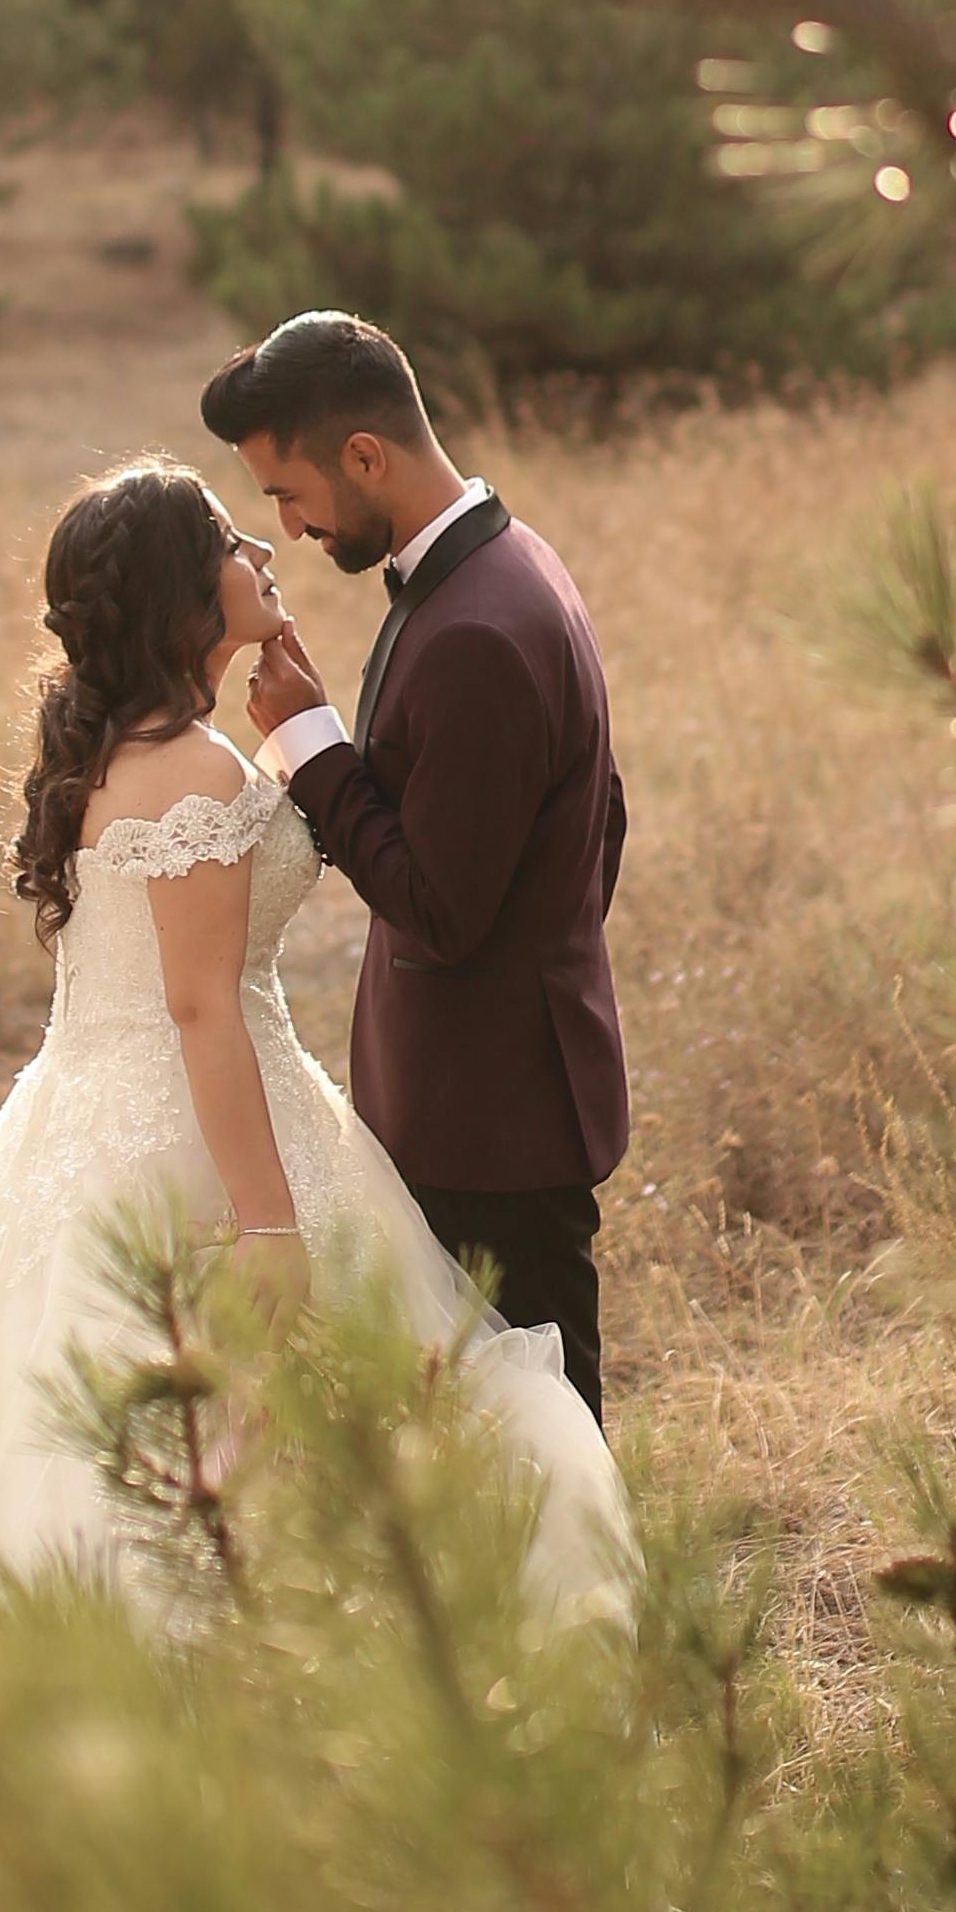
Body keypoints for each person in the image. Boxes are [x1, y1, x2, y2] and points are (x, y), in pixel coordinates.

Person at [0, 458, 626, 1622]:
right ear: (180, 594)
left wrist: (294, 742)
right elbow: (202, 1009)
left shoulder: (125, 754)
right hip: (208, 1126)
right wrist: (267, 1222)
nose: (262, 551)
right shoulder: (192, 776)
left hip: (83, 1113)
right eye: (227, 539)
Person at [202, 311, 625, 1432]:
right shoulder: (498, 565)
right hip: (499, 1094)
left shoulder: (477, 627)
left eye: (289, 496)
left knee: (541, 1451)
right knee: (505, 1446)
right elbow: (600, 822)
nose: (287, 531)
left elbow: (442, 909)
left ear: (363, 457)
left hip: (492, 1120)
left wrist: (309, 744)